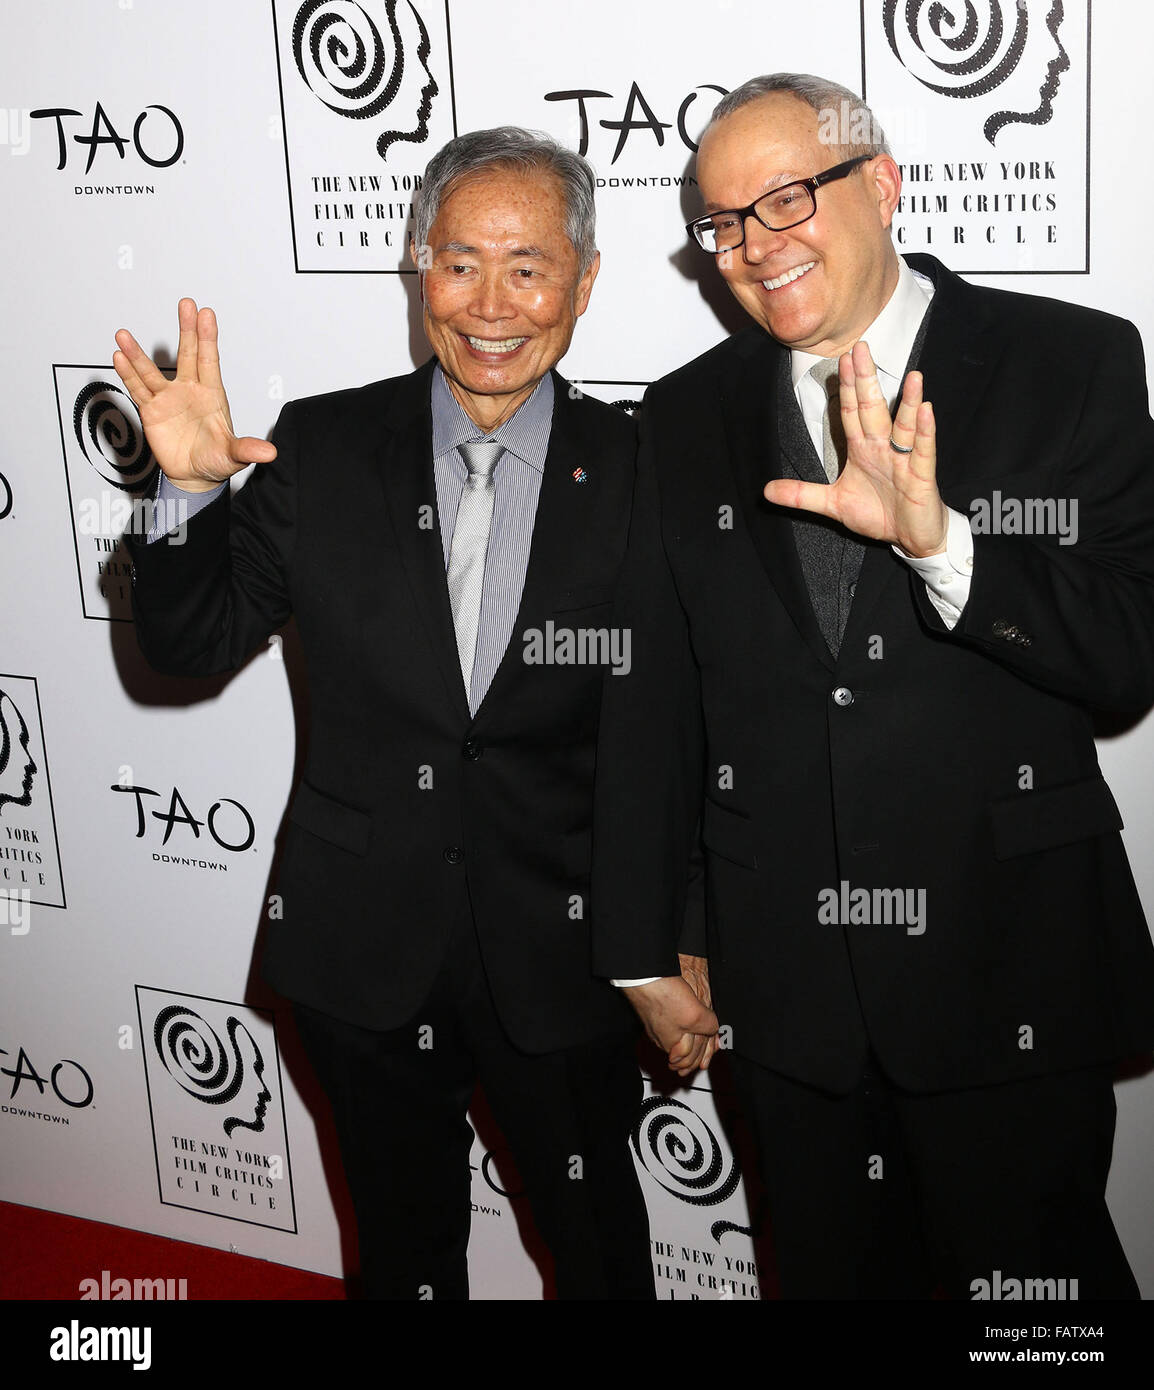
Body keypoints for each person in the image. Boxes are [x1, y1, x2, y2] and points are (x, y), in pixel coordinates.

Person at [114, 126, 714, 1301]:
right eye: (460, 262)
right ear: (414, 265)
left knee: (601, 1258)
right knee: (402, 1257)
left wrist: (675, 930)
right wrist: (184, 489)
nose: (492, 304)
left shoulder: (646, 472)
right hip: (358, 952)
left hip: (569, 953)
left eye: (530, 267)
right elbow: (185, 650)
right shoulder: (324, 448)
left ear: (584, 281)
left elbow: (682, 737)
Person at [591, 73, 1154, 1299]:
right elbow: (658, 699)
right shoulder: (681, 418)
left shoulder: (1070, 359)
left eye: (787, 197)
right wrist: (650, 937)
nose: (754, 244)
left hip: (1007, 961)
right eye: (724, 221)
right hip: (782, 987)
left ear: (882, 184)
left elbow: (1125, 653)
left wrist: (941, 544)